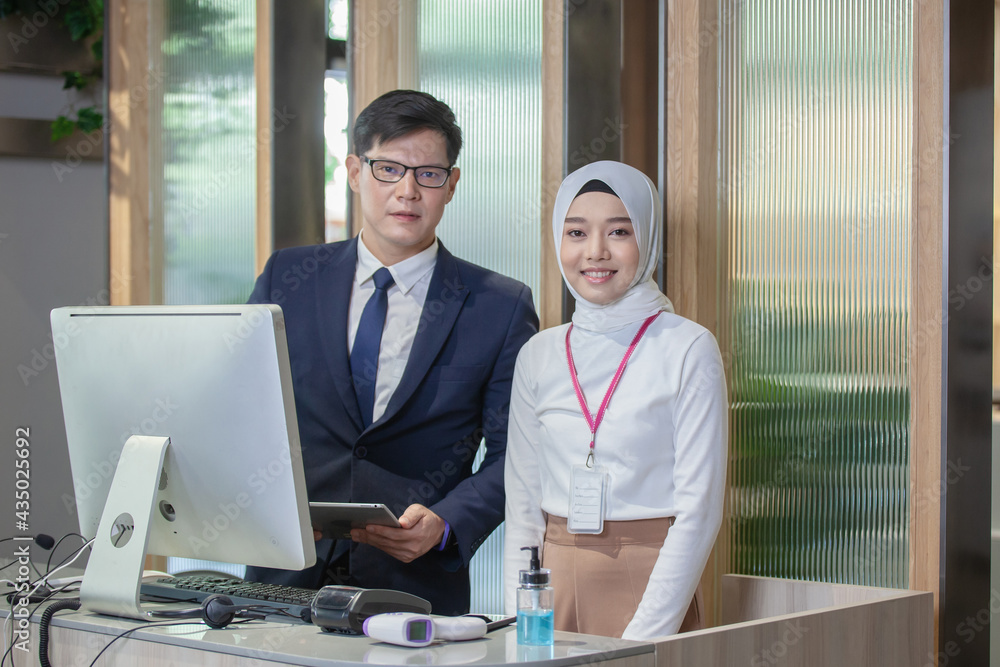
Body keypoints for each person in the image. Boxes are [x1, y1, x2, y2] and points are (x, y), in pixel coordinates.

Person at [245, 89, 538, 616]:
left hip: (413, 589)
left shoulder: (498, 305)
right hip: (281, 580)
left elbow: (515, 455)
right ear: (355, 171)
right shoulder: (287, 278)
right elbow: (240, 412)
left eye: (428, 174)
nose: (408, 191)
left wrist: (448, 522)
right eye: (388, 169)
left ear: (451, 185)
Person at [503, 160, 727, 639]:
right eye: (577, 232)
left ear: (646, 239)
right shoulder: (538, 353)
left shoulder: (688, 346)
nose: (596, 252)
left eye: (619, 231)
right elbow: (521, 506)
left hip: (649, 584)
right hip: (550, 585)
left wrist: (645, 636)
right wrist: (517, 617)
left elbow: (699, 511)